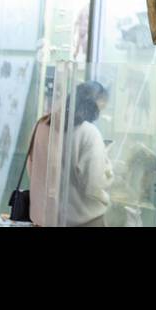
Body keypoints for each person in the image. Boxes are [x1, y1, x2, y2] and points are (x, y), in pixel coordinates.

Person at [66, 81, 113, 227]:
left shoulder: (56, 126)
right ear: (94, 102)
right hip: (87, 220)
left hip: (59, 217)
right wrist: (109, 172)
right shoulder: (90, 132)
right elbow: (94, 185)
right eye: (103, 102)